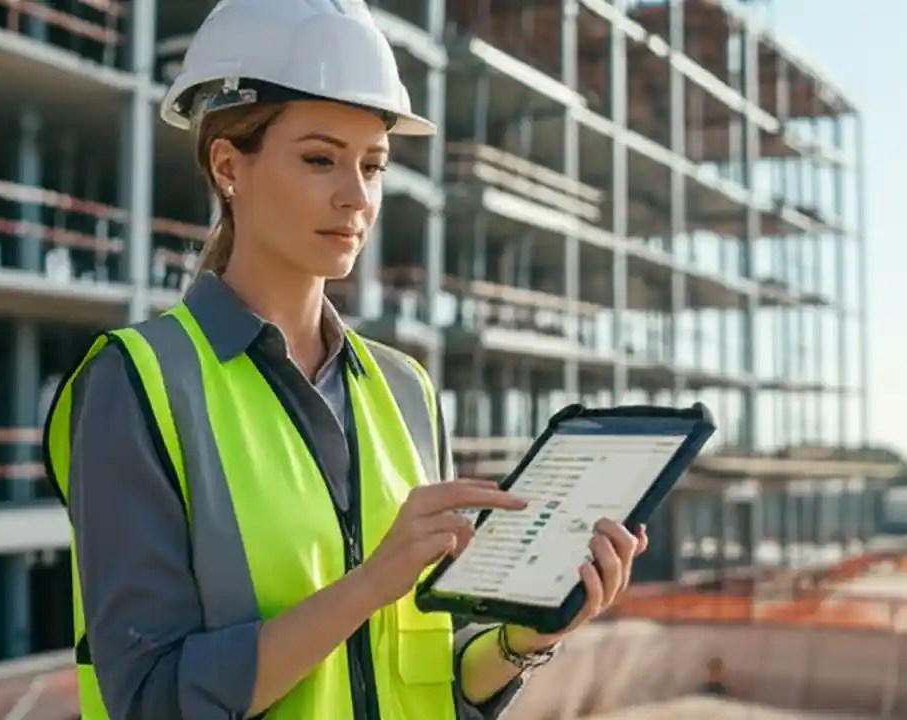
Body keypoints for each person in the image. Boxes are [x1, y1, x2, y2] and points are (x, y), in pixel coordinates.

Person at [41, 1, 648, 718]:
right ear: (229, 164)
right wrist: (370, 583)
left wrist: (526, 637)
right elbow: (151, 698)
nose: (356, 196)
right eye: (320, 159)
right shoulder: (137, 382)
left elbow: (432, 677)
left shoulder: (404, 389)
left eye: (374, 165)